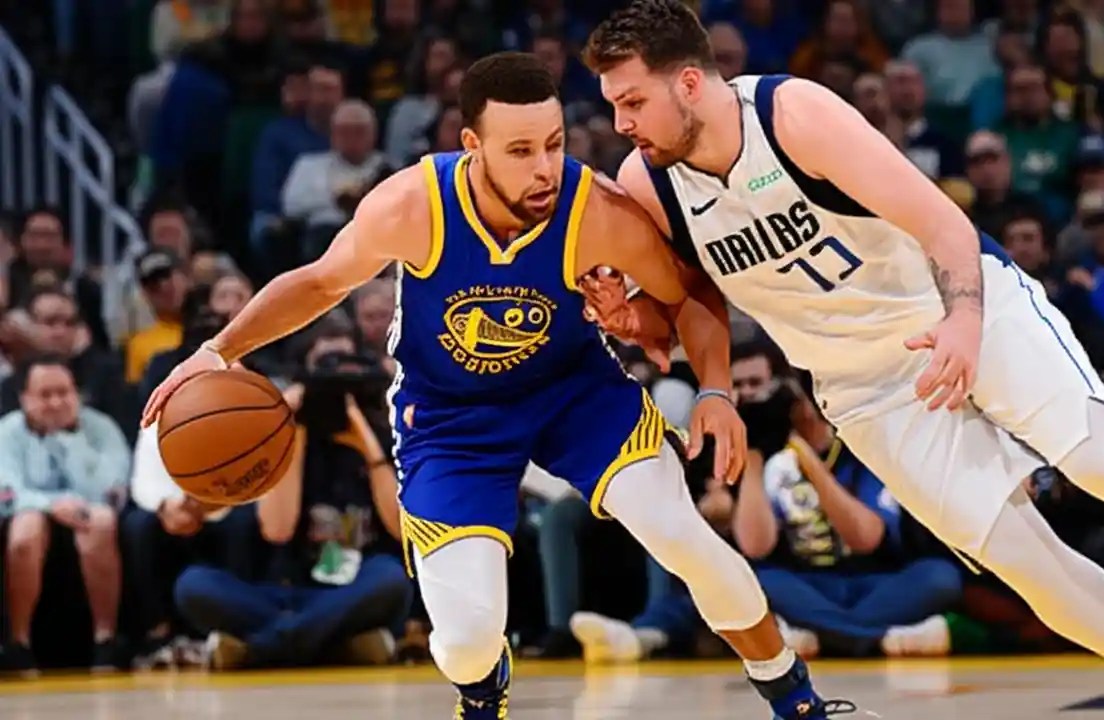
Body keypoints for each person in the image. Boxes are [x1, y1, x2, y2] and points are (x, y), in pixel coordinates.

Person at [578, 1, 1104, 717]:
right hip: (865, 384)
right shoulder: (647, 183)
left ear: (690, 83)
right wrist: (652, 336)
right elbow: (695, 298)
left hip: (960, 305)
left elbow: (943, 221)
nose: (622, 124)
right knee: (1022, 562)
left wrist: (966, 323)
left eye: (633, 101)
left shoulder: (792, 116)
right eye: (613, 106)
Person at [141, 52, 849, 720]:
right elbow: (320, 282)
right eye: (520, 151)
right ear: (472, 145)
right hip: (451, 417)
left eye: (554, 142)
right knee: (468, 636)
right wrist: (216, 351)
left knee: (682, 536)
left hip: (572, 392)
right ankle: (485, 689)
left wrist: (715, 390)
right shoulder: (412, 205)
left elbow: (692, 295)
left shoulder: (592, 208)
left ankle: (797, 699)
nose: (545, 167)